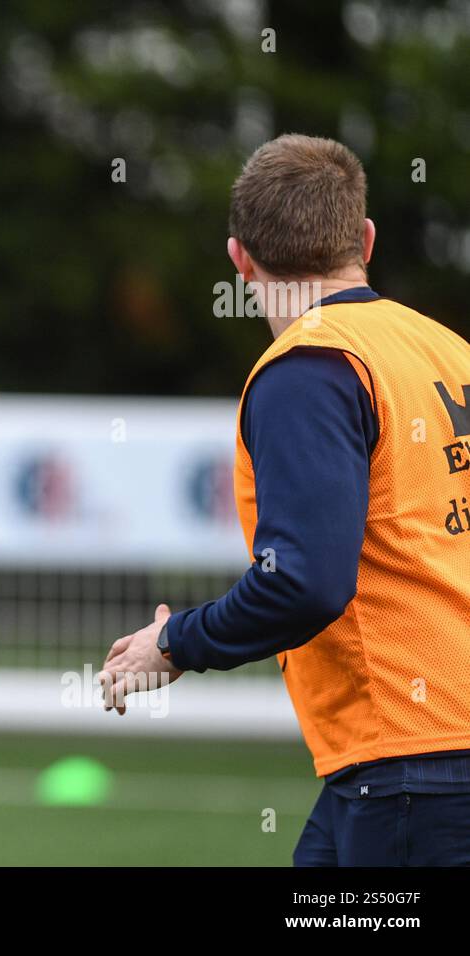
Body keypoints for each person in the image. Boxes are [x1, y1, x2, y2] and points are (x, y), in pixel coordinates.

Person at [97, 133, 470, 866]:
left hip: (412, 758)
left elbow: (305, 581)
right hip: (407, 757)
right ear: (364, 238)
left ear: (240, 259)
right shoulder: (447, 352)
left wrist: (174, 644)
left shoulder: (310, 368)